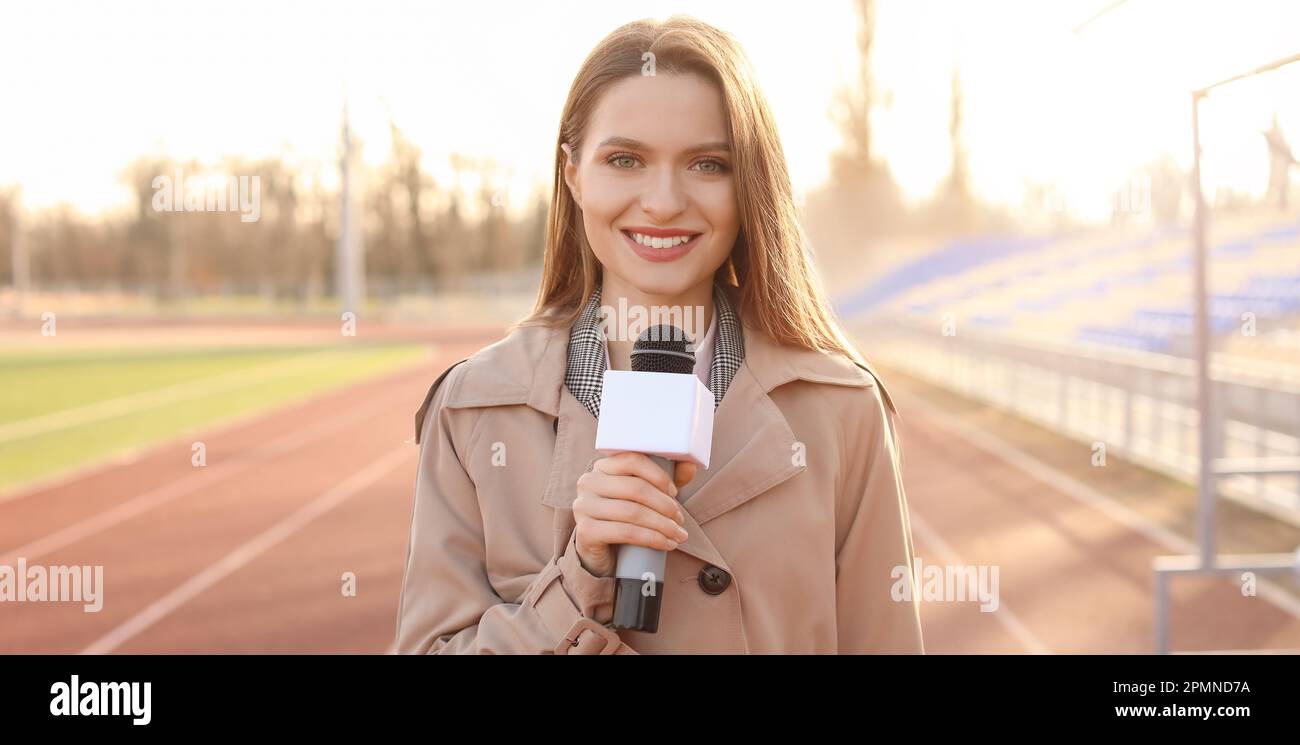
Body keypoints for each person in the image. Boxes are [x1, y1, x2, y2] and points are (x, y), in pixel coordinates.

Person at [394, 15, 922, 654]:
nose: (664, 201)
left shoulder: (842, 408)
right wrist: (580, 575)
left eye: (707, 163)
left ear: (748, 183)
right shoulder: (475, 407)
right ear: (573, 174)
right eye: (625, 159)